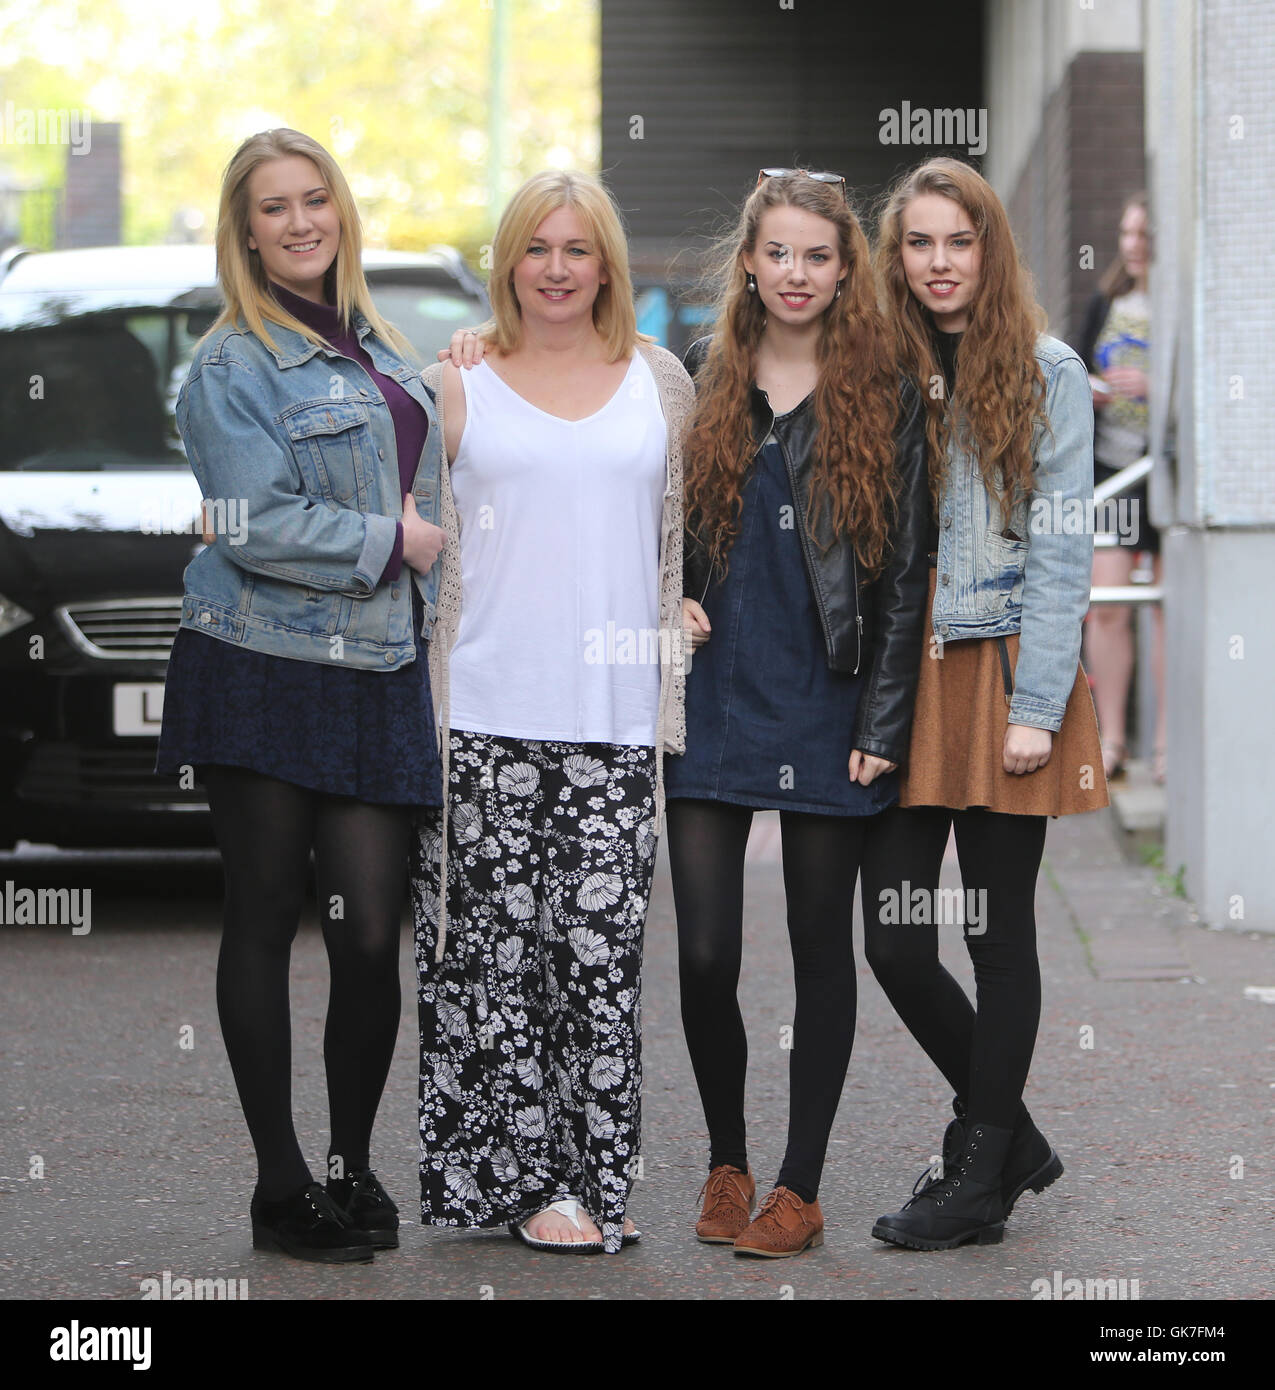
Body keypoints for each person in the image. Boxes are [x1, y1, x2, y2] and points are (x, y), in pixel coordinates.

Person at [156, 128, 448, 1262]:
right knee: (268, 917)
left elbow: (432, 451)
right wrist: (393, 541)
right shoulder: (229, 365)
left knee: (371, 931)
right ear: (246, 232)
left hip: (374, 668)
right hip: (264, 662)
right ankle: (281, 1186)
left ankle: (347, 1162)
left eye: (313, 200)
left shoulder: (382, 343)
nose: (298, 222)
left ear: (341, 211)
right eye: (272, 208)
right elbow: (253, 521)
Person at [410, 170, 694, 1254]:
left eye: (579, 249)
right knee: (484, 965)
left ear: (607, 264)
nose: (559, 268)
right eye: (538, 248)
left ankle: (595, 1179)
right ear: (509, 263)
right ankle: (523, 1187)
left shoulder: (661, 384)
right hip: (478, 715)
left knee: (599, 966)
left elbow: (687, 530)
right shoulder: (455, 385)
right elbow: (409, 520)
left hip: (614, 723)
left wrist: (687, 608)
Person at [665, 169, 930, 1257]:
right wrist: (669, 589)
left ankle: (799, 1186)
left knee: (822, 947)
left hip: (831, 701)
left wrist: (884, 720)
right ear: (750, 261)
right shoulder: (701, 377)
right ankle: (727, 1159)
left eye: (819, 256)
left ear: (844, 268)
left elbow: (906, 573)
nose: (797, 274)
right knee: (704, 954)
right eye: (778, 253)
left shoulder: (886, 392)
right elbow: (659, 519)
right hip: (718, 697)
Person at [860, 157, 1108, 1251]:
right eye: (920, 243)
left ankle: (978, 1169)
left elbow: (1061, 553)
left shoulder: (1048, 370)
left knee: (997, 934)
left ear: (989, 248)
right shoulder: (879, 362)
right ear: (897, 257)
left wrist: (1039, 706)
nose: (940, 261)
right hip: (913, 681)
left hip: (1006, 669)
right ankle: (1009, 1134)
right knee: (898, 938)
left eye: (959, 240)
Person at [1074, 193, 1163, 782]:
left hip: (1164, 474)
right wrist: (1096, 388)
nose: (1133, 245)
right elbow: (1072, 371)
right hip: (1110, 475)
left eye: (1145, 234)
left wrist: (1153, 388)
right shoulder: (1105, 301)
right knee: (1106, 608)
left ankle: (1166, 746)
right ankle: (1114, 743)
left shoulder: (1182, 305)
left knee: (1166, 609)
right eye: (1128, 233)